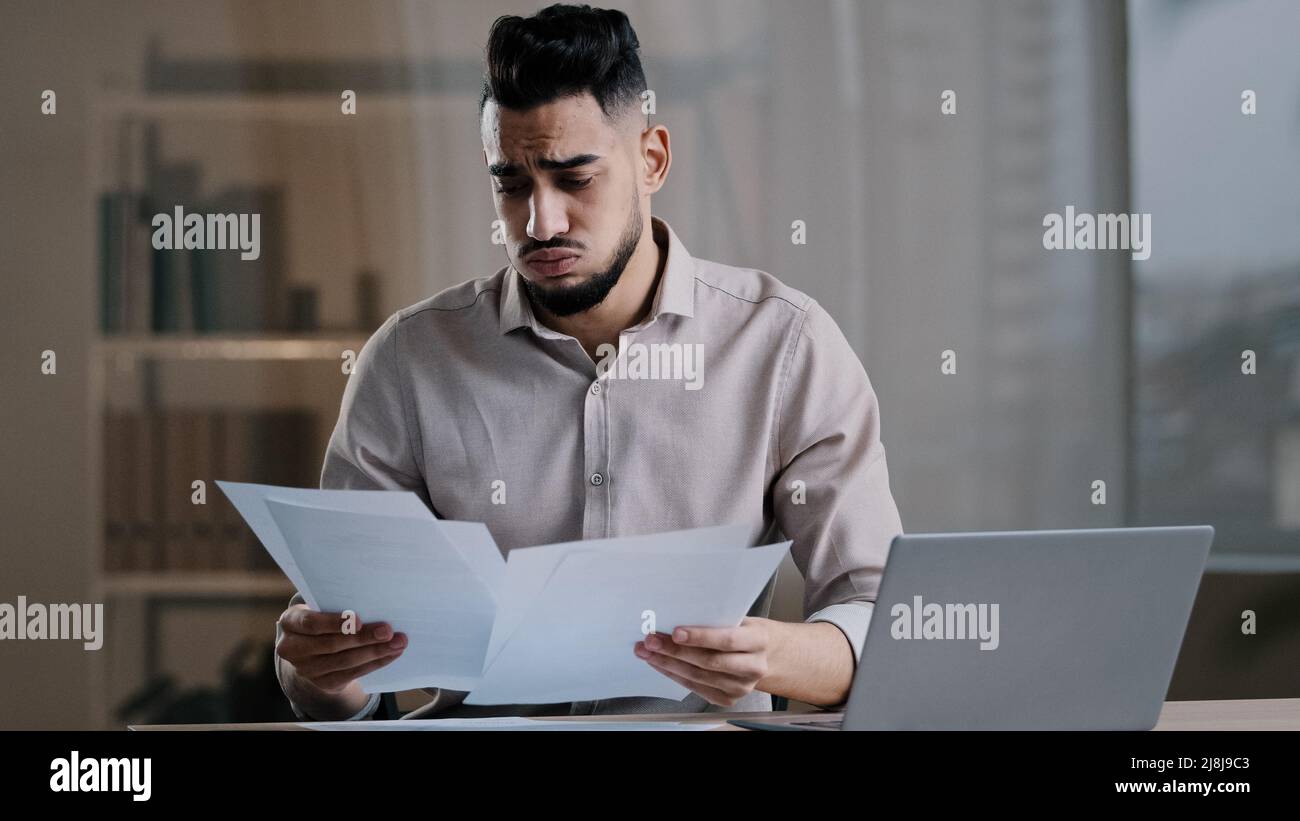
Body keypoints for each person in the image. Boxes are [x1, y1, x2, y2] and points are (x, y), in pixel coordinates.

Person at [274, 3, 902, 721]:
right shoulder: (410, 361)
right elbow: (339, 656)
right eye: (511, 183)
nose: (540, 222)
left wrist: (771, 655)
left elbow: (881, 612)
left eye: (575, 178)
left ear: (652, 159)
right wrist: (325, 673)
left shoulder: (784, 349)